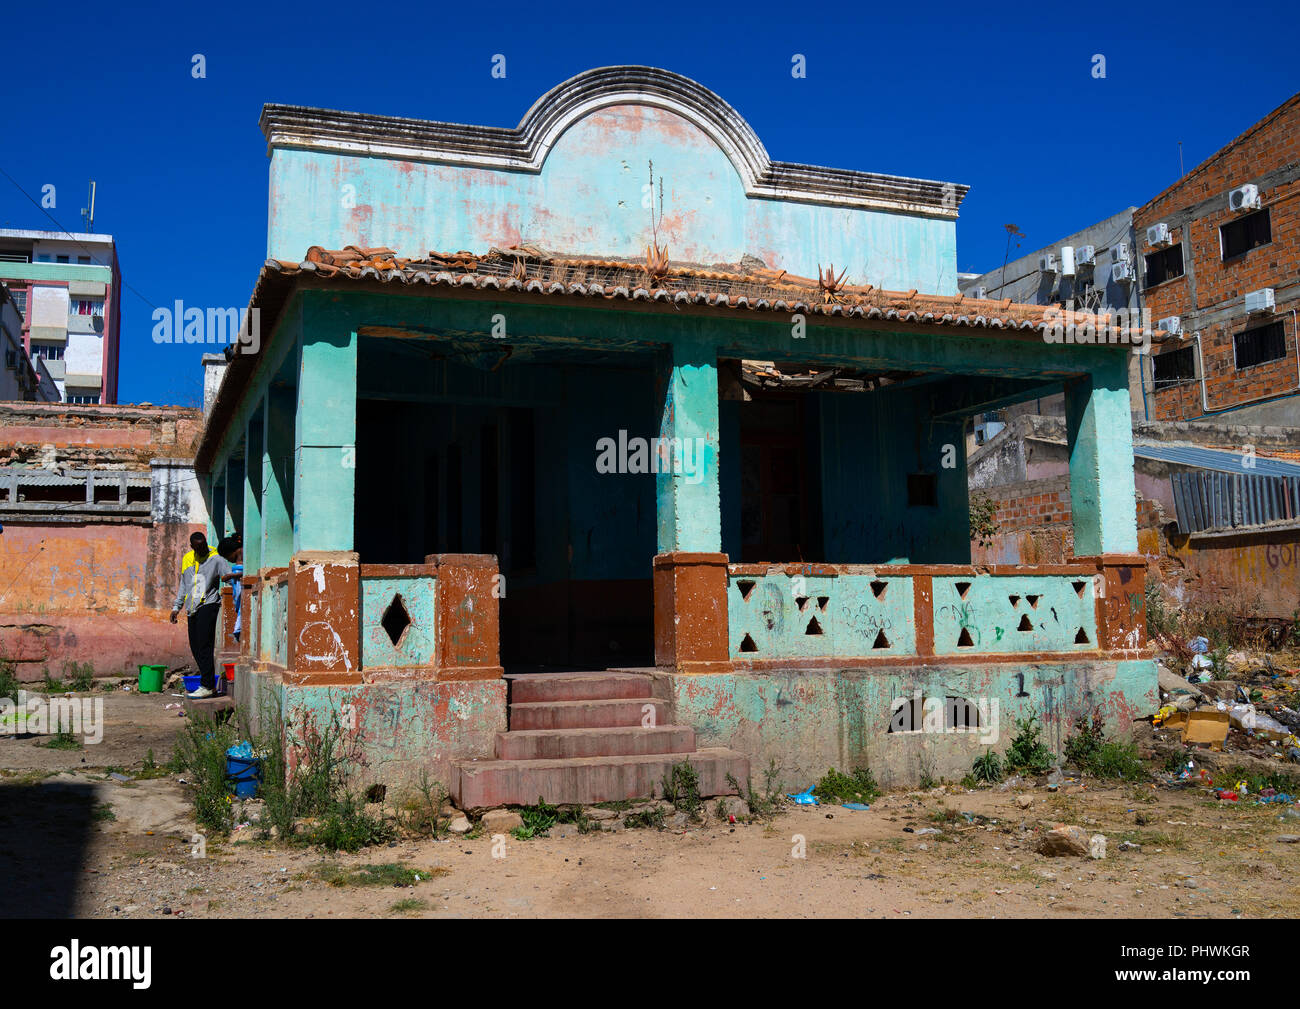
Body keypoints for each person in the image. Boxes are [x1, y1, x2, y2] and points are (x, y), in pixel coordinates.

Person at [171, 531, 234, 699]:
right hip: (192, 608)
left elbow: (228, 576)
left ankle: (207, 685)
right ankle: (206, 683)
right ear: (192, 547)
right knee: (196, 646)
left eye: (204, 545)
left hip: (209, 604)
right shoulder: (187, 559)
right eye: (198, 547)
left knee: (205, 645)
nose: (202, 549)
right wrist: (176, 607)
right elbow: (184, 586)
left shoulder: (216, 558)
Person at [216, 534, 244, 641]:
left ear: (233, 552)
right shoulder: (238, 559)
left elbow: (248, 572)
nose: (228, 560)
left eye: (227, 556)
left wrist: (232, 576)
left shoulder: (245, 555)